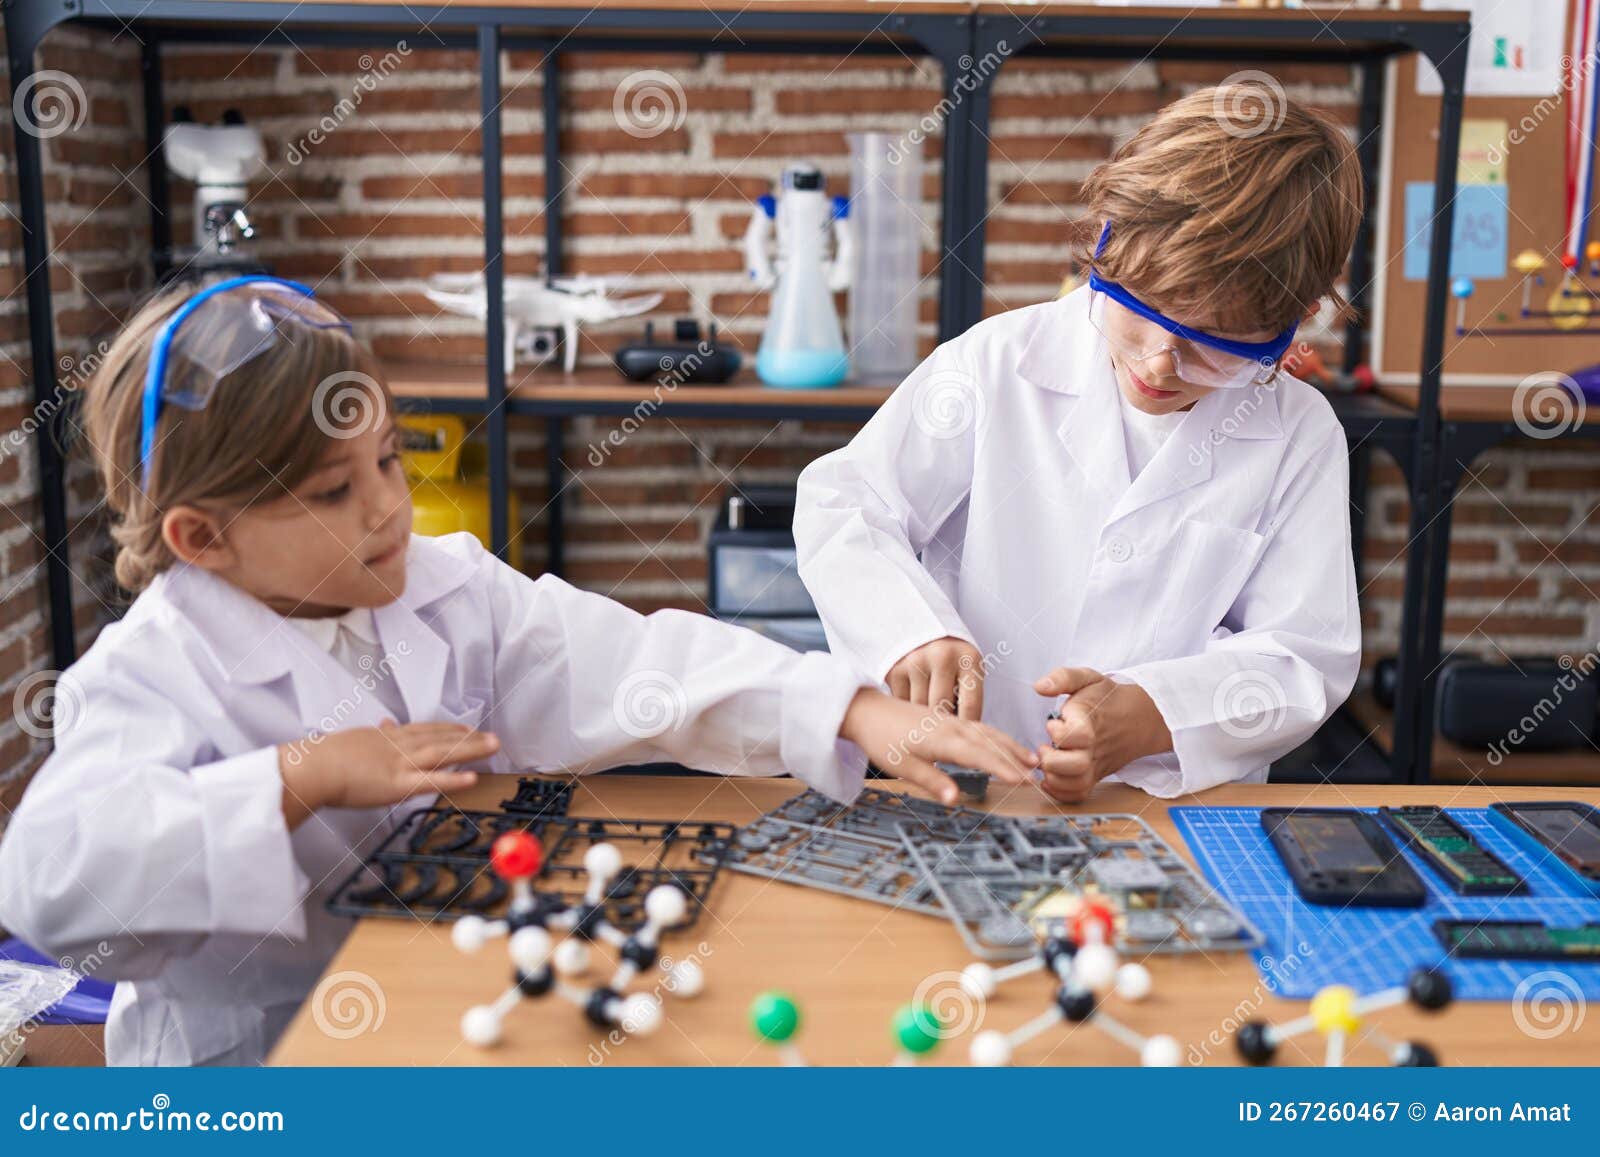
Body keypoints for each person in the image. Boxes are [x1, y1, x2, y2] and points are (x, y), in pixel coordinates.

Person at [0, 277, 1036, 1066]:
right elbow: (49, 881)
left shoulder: (443, 584)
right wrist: (300, 775)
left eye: (389, 459)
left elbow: (636, 660)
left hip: (427, 1005)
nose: (389, 506)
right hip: (251, 1065)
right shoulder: (152, 671)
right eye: (332, 491)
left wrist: (849, 708)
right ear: (203, 536)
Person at [794, 85, 1364, 803]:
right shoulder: (996, 363)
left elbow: (1304, 657)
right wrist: (908, 629)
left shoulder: (1300, 435)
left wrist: (1153, 715)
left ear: (1293, 323)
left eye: (1214, 344)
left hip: (1173, 804)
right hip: (970, 790)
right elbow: (846, 504)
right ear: (1105, 244)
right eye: (1139, 309)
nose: (1160, 362)